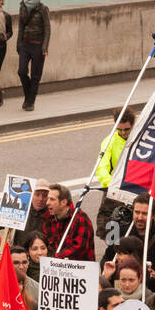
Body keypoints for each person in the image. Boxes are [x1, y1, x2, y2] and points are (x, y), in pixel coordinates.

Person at [94, 110, 135, 239]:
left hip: (135, 187)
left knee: (136, 223)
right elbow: (101, 167)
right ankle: (113, 247)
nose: (123, 133)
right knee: (108, 224)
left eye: (127, 129)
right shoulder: (109, 141)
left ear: (133, 125)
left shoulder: (140, 137)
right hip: (115, 187)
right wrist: (110, 184)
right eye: (119, 130)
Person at [16, 0, 50, 111]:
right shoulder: (23, 7)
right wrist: (18, 44)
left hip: (38, 46)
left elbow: (48, 29)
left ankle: (30, 102)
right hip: (25, 44)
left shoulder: (43, 8)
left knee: (36, 76)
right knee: (22, 71)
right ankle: (29, 95)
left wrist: (45, 47)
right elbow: (20, 27)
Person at [42, 182, 96, 262]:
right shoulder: (48, 222)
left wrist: (57, 257)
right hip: (57, 270)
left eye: (52, 199)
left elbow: (80, 248)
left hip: (81, 270)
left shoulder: (80, 219)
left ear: (63, 202)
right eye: (48, 199)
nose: (47, 203)